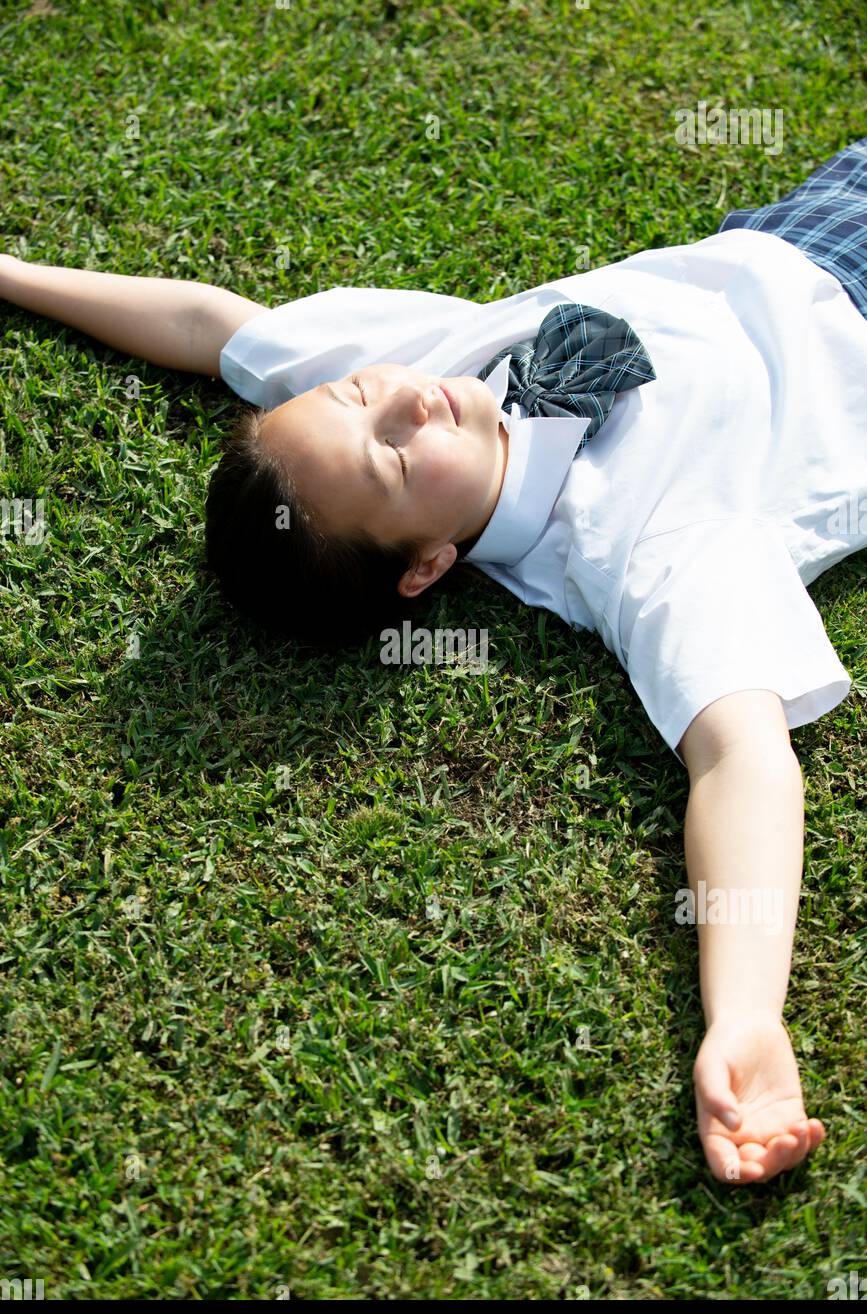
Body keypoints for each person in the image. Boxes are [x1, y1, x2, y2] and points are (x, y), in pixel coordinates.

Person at [5, 139, 866, 1186]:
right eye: (394, 454)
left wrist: (9, 276)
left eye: (360, 388)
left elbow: (205, 325)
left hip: (805, 226)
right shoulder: (648, 550)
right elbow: (739, 758)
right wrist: (743, 1013)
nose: (410, 402)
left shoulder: (421, 371)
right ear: (425, 570)